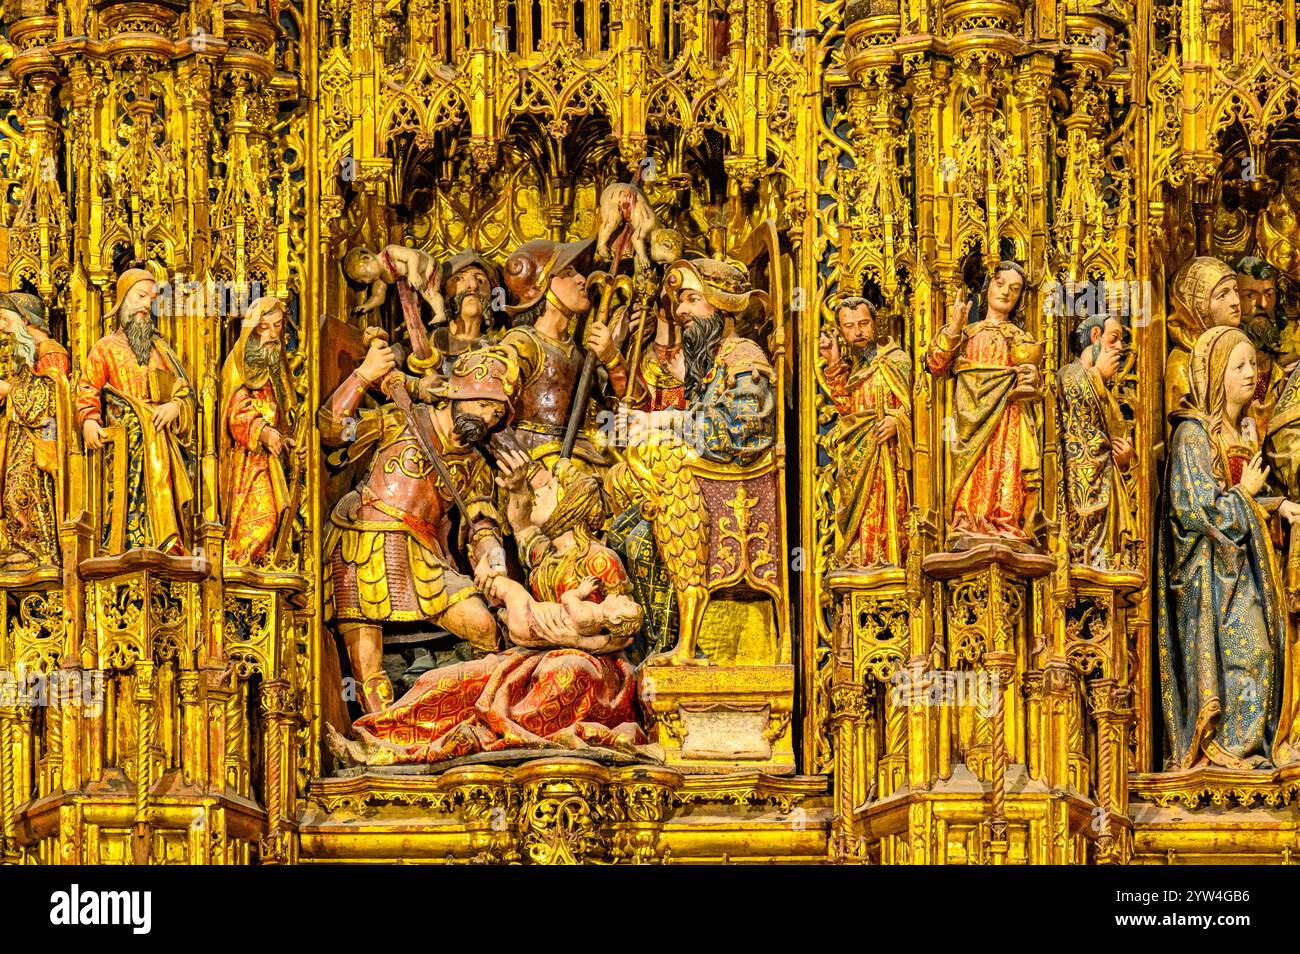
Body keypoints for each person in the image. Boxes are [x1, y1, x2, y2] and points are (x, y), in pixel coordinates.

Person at [320, 343, 512, 713]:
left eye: (496, 411)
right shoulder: (399, 419)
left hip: (424, 554)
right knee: (366, 664)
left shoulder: (475, 464)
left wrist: (495, 560)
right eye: (482, 403)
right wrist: (364, 374)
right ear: (455, 394)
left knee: (484, 626)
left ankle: (473, 717)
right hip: (364, 540)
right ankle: (381, 740)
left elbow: (483, 523)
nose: (487, 418)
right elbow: (333, 431)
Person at [1157, 325, 1300, 770]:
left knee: (1266, 651)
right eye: (1238, 365)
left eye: (1253, 364)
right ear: (1216, 372)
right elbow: (1194, 510)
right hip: (1209, 577)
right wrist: (1246, 495)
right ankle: (1224, 748)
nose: (1249, 373)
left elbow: (1243, 495)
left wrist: (1277, 505)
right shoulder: (1192, 435)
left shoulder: (1247, 430)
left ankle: (1252, 745)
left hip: (1243, 565)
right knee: (1249, 651)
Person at [76, 268, 195, 555]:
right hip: (122, 447)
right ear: (122, 299)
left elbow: (184, 392)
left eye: (151, 300)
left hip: (160, 443)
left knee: (161, 473)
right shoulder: (104, 348)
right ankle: (123, 542)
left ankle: (167, 539)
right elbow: (87, 388)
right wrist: (90, 420)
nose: (146, 305)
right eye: (141, 296)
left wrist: (174, 406)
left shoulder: (161, 351)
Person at [926, 261, 1043, 549]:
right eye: (1000, 284)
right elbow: (936, 364)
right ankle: (967, 519)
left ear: (1019, 299)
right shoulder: (967, 334)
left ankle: (1004, 520)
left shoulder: (1021, 339)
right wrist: (954, 326)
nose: (1005, 293)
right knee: (972, 467)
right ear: (988, 286)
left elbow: (1035, 389)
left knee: (1006, 462)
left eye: (1014, 290)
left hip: (1007, 415)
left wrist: (1032, 376)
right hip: (968, 419)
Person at [820, 296, 912, 567]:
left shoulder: (896, 360)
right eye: (848, 327)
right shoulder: (856, 370)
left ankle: (888, 558)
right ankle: (863, 556)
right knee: (859, 510)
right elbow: (849, 416)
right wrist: (834, 364)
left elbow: (919, 408)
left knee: (887, 508)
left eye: (863, 324)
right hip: (859, 457)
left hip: (889, 456)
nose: (857, 332)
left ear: (876, 324)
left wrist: (899, 422)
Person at [219, 296, 301, 565]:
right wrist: (262, 431)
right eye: (262, 327)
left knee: (278, 514)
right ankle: (240, 561)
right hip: (244, 461)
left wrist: (285, 440)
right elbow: (234, 410)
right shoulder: (239, 363)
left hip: (270, 460)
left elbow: (281, 414)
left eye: (276, 326)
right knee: (263, 518)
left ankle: (260, 563)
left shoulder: (274, 368)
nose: (271, 334)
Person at [1058, 313, 1136, 566]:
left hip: (1109, 495)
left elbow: (1109, 442)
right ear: (1095, 337)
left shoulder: (1106, 392)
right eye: (1113, 339)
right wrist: (1096, 374)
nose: (1120, 348)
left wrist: (1124, 460)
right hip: (1078, 502)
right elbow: (1076, 437)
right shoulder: (1070, 375)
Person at [0, 293, 70, 567]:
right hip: (20, 437)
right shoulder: (26, 356)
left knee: (23, 489)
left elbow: (52, 399)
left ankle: (38, 548)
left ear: (26, 320)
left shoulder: (51, 352)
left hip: (40, 438)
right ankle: (19, 544)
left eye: (5, 320)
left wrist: (10, 390)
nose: (2, 328)